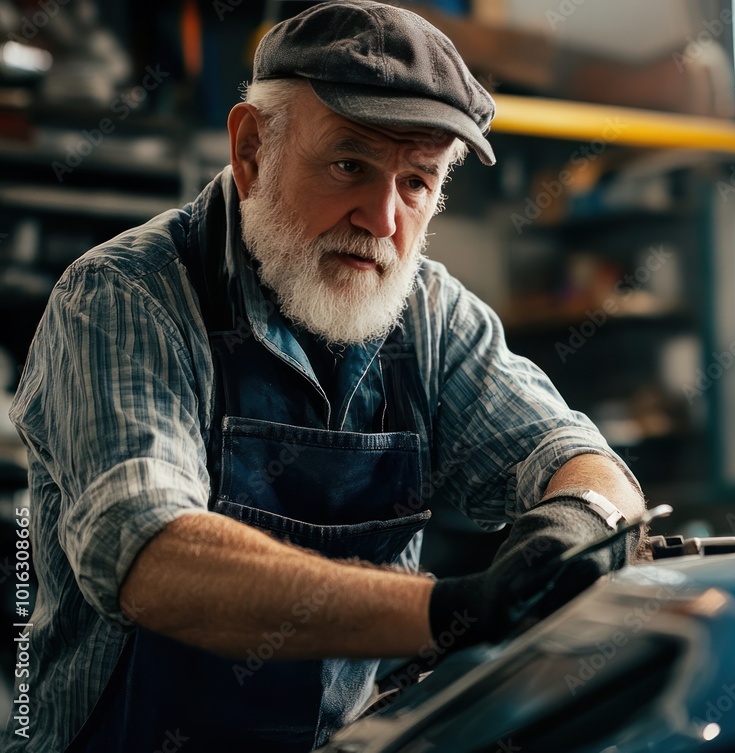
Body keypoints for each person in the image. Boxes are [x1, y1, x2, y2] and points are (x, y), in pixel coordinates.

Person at [3, 2, 646, 751]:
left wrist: (576, 523)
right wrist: (453, 608)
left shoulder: (432, 317)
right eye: (350, 164)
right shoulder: (125, 297)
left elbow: (586, 460)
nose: (381, 218)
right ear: (251, 150)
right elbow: (150, 554)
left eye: (417, 182)